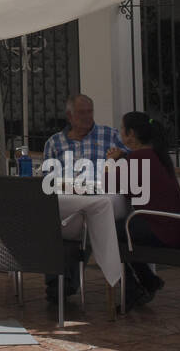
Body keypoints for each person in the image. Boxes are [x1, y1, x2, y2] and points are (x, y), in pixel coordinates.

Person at [40, 94, 127, 302]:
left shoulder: (110, 135)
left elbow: (133, 154)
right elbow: (47, 179)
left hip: (95, 199)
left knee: (90, 219)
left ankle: (65, 281)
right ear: (69, 116)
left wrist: (120, 157)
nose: (88, 116)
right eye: (82, 112)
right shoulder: (54, 143)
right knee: (50, 221)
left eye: (90, 111)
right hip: (66, 200)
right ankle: (58, 281)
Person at [107, 112, 180, 310]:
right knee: (118, 231)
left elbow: (113, 184)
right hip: (177, 226)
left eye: (122, 129)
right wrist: (124, 158)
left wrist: (111, 162)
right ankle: (148, 280)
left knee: (106, 233)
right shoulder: (154, 154)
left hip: (162, 229)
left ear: (131, 134)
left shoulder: (140, 157)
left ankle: (134, 290)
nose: (120, 133)